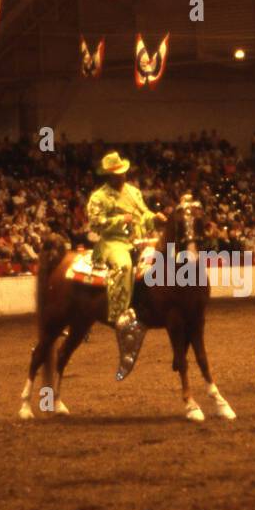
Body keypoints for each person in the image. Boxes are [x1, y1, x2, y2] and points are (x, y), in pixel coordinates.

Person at [86, 151, 165, 380]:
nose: (121, 176)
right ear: (109, 175)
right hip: (113, 242)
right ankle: (118, 315)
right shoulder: (99, 198)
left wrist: (155, 218)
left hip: (138, 240)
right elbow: (96, 224)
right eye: (117, 173)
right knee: (124, 267)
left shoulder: (133, 192)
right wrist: (121, 220)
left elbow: (145, 214)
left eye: (123, 172)